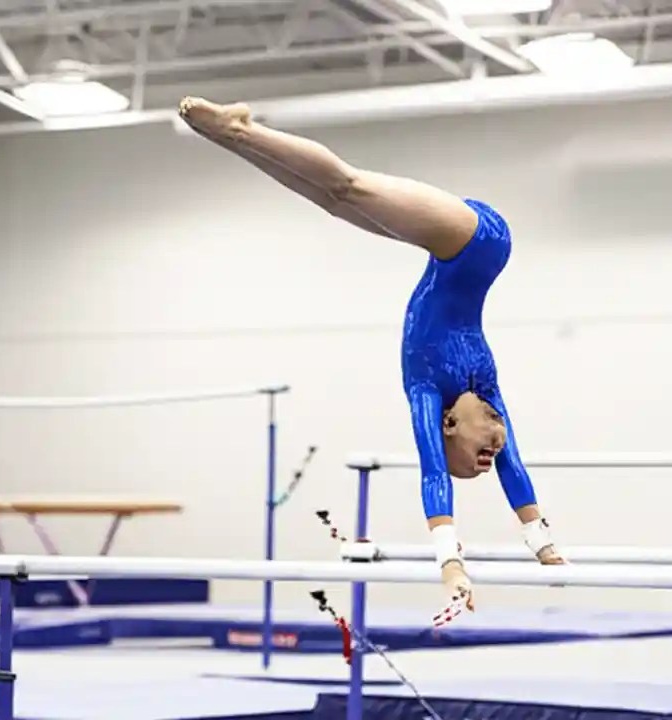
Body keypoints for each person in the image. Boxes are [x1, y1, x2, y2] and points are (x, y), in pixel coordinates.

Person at [177, 98, 565, 616]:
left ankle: (235, 137)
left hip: (460, 245)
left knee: (337, 199)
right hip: (476, 240)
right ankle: (240, 131)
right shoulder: (483, 388)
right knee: (346, 188)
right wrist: (543, 545)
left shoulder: (428, 391)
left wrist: (449, 563)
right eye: (490, 453)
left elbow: (433, 472)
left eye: (480, 455)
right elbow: (513, 467)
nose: (497, 440)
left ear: (450, 425)